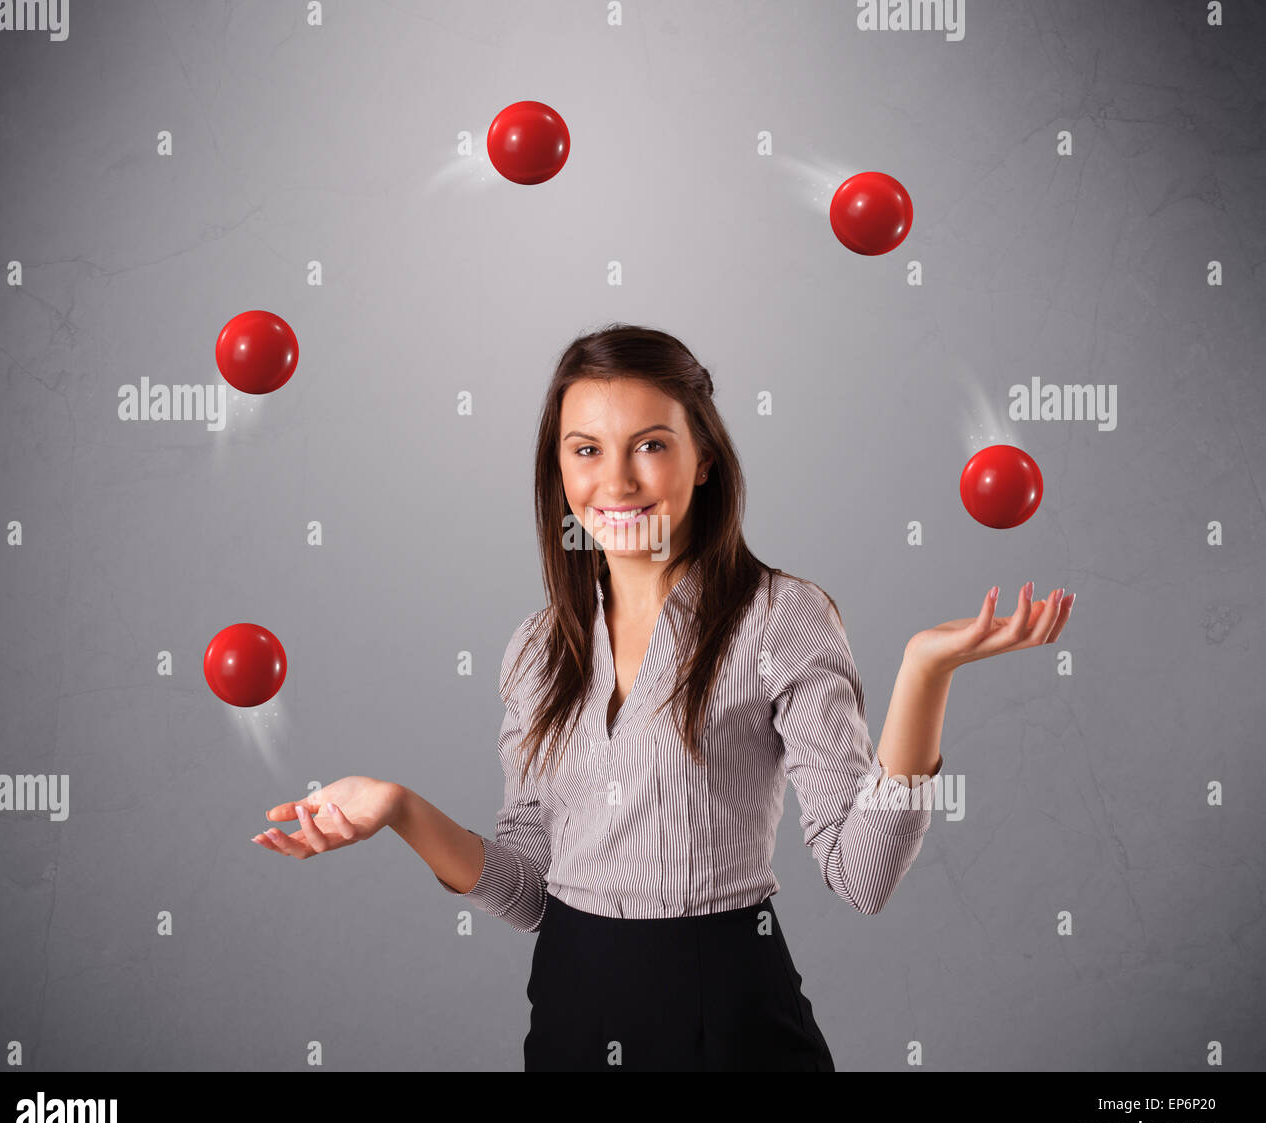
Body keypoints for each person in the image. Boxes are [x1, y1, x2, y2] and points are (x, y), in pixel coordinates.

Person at [252, 323, 1075, 1071]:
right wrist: (399, 808)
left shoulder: (782, 617)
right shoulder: (538, 650)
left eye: (649, 444)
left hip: (731, 1017)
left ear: (703, 457)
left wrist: (924, 674)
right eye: (585, 450)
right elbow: (529, 891)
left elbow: (862, 876)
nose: (615, 480)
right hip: (571, 1013)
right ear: (559, 468)